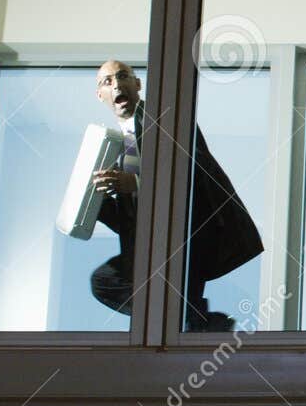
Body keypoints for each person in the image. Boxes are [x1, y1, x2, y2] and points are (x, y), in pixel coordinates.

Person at [87, 59, 263, 332]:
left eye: (122, 76)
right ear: (100, 95)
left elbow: (193, 168)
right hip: (149, 248)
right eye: (107, 82)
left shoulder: (166, 119)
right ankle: (192, 318)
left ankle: (190, 320)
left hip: (188, 234)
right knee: (105, 281)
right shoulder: (114, 146)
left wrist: (136, 182)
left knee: (177, 314)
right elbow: (130, 220)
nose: (117, 84)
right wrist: (95, 204)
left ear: (137, 84)